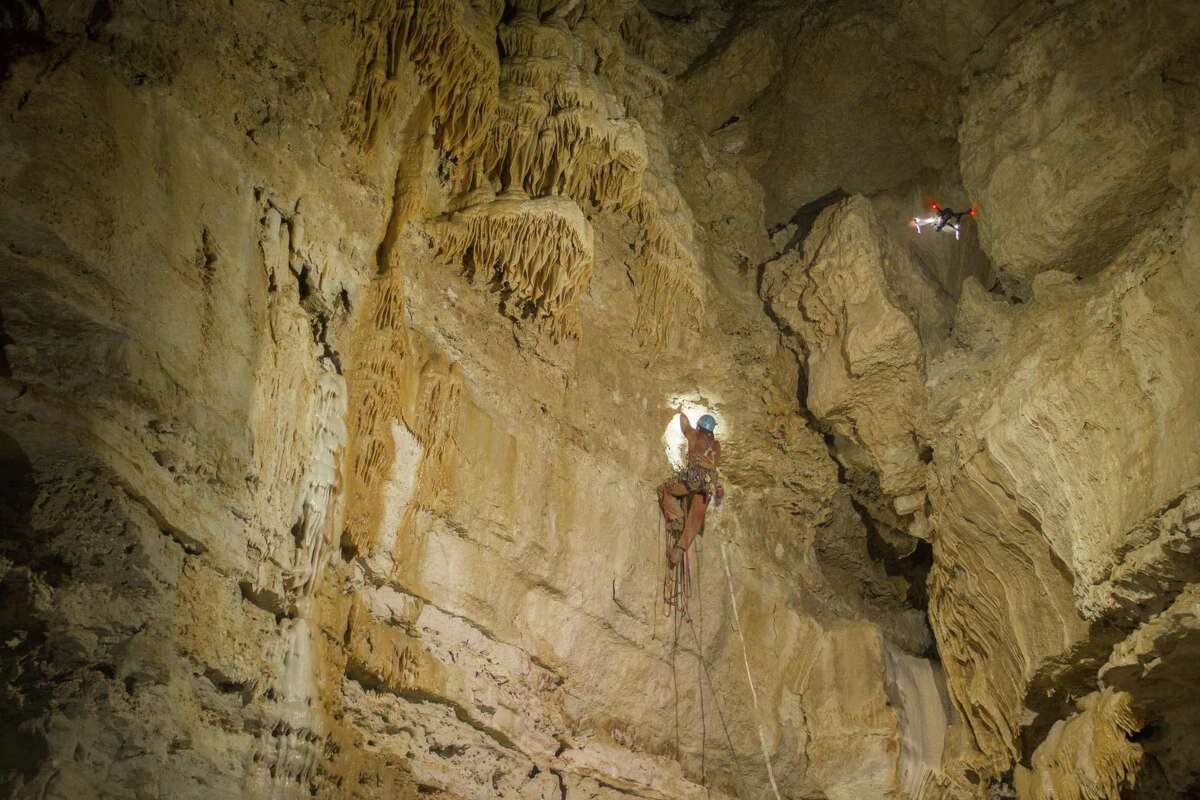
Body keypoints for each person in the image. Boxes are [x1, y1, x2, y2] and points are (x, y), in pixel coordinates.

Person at [658, 409, 724, 575]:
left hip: (693, 480)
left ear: (700, 427)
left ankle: (678, 518)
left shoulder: (694, 435)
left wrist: (681, 411)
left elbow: (684, 424)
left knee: (664, 490)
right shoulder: (716, 445)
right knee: (697, 516)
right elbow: (715, 466)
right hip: (708, 484)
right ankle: (679, 550)